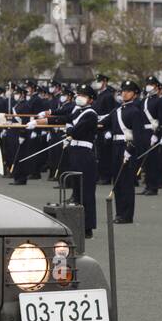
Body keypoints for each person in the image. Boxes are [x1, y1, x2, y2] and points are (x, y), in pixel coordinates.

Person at [61, 83, 99, 238]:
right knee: (76, 190)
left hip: (84, 153)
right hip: (75, 152)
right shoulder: (78, 111)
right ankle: (77, 224)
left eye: (83, 95)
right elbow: (66, 118)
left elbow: (75, 130)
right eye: (79, 95)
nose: (80, 98)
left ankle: (88, 227)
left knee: (86, 191)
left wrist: (68, 130)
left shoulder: (90, 114)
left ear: (90, 99)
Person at [110, 82, 148, 224]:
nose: (124, 93)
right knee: (117, 182)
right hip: (116, 147)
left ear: (135, 94)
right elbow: (105, 123)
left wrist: (130, 150)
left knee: (126, 183)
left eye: (128, 91)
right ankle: (119, 212)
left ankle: (126, 215)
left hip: (127, 148)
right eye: (123, 91)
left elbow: (138, 135)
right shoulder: (118, 110)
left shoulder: (135, 111)